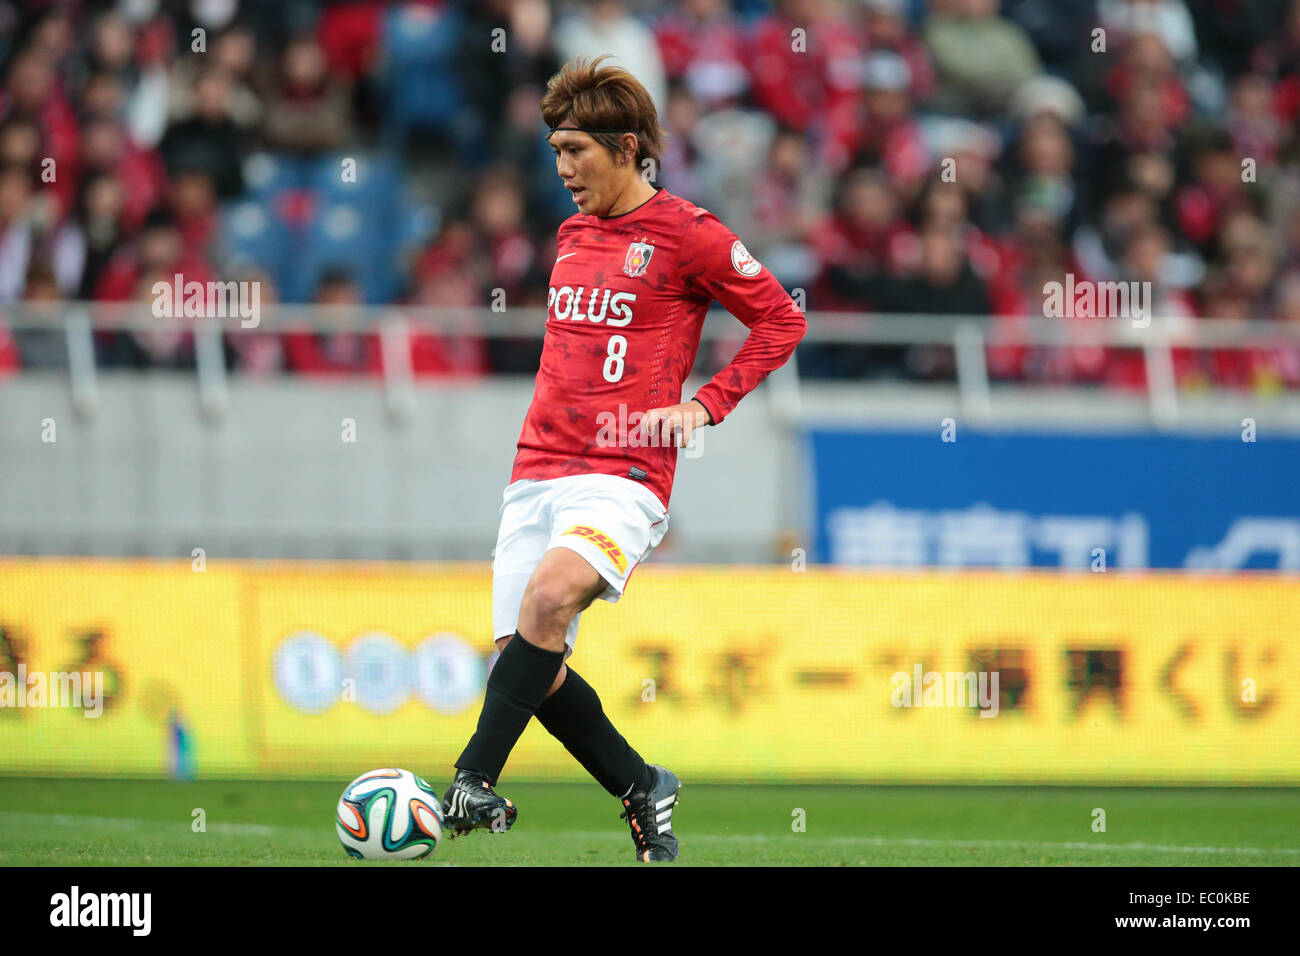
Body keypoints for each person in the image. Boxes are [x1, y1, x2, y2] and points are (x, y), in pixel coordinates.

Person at [439, 55, 806, 862]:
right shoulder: (571, 234)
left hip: (623, 469)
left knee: (551, 597)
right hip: (535, 468)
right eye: (555, 151)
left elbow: (782, 320)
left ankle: (472, 776)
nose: (563, 169)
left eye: (576, 150)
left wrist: (704, 404)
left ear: (629, 146)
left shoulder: (690, 234)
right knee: (524, 664)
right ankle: (642, 786)